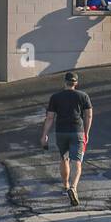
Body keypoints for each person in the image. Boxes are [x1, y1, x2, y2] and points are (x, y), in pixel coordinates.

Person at [40, 71, 93, 206]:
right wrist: (86, 132)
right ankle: (73, 187)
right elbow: (88, 116)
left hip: (61, 132)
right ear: (76, 83)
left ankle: (65, 186)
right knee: (77, 162)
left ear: (65, 82)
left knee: (64, 158)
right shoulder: (83, 96)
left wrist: (44, 134)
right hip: (77, 131)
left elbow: (50, 117)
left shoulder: (55, 97)